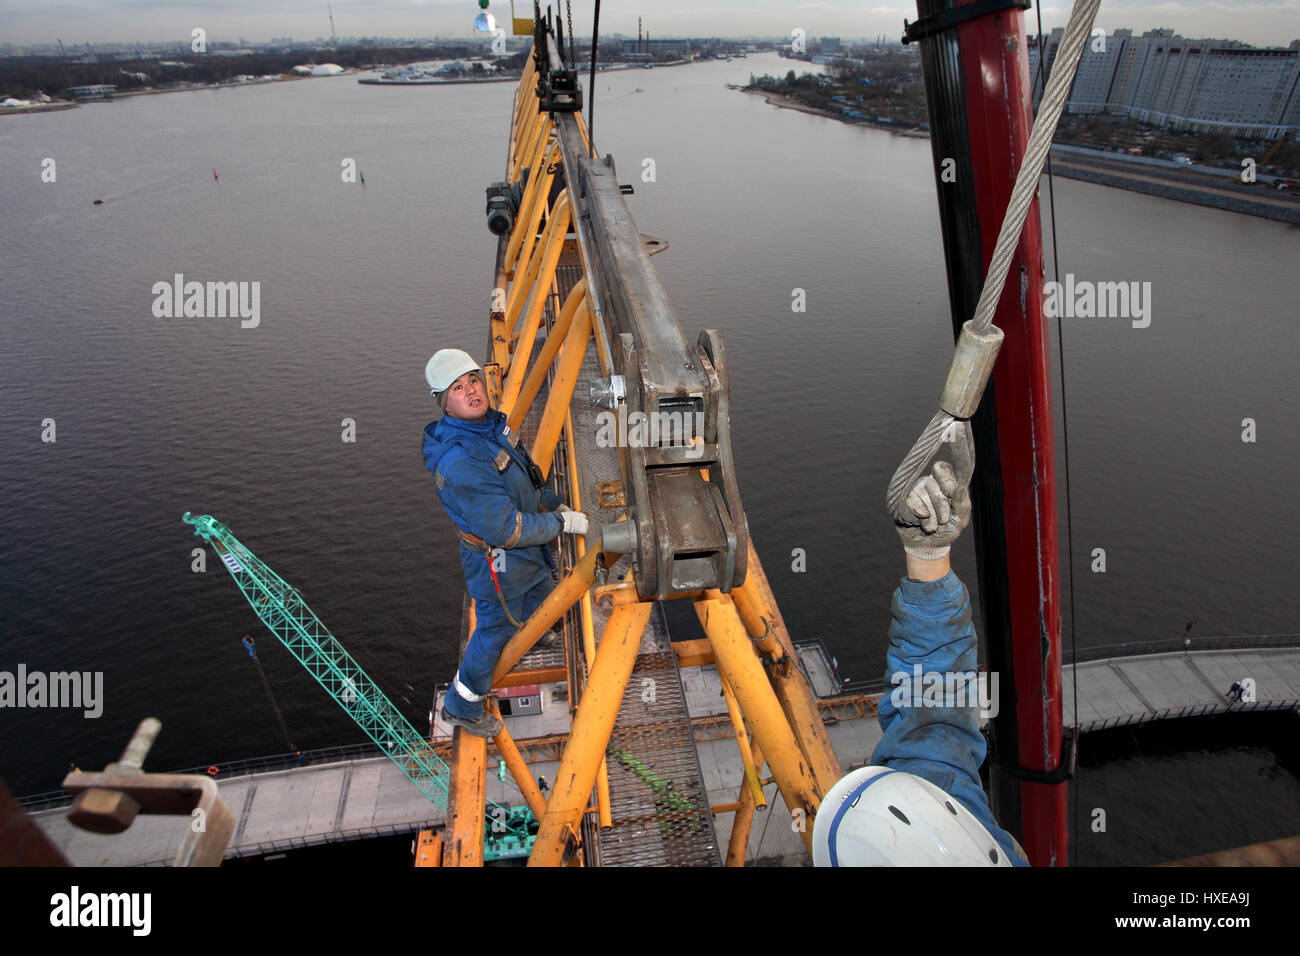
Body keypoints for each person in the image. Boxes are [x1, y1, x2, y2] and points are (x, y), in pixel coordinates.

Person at [813, 425, 1029, 866]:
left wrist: (926, 558)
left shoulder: (955, 837)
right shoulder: (955, 836)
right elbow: (937, 726)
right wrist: (929, 558)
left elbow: (934, 728)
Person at [423, 349, 589, 738]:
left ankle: (535, 625)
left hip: (523, 553)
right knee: (494, 627)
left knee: (544, 589)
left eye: (473, 381)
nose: (472, 391)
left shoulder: (489, 428)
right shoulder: (460, 460)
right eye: (459, 388)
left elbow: (524, 478)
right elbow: (507, 531)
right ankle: (462, 704)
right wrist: (560, 522)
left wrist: (550, 501)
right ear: (443, 402)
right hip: (497, 560)